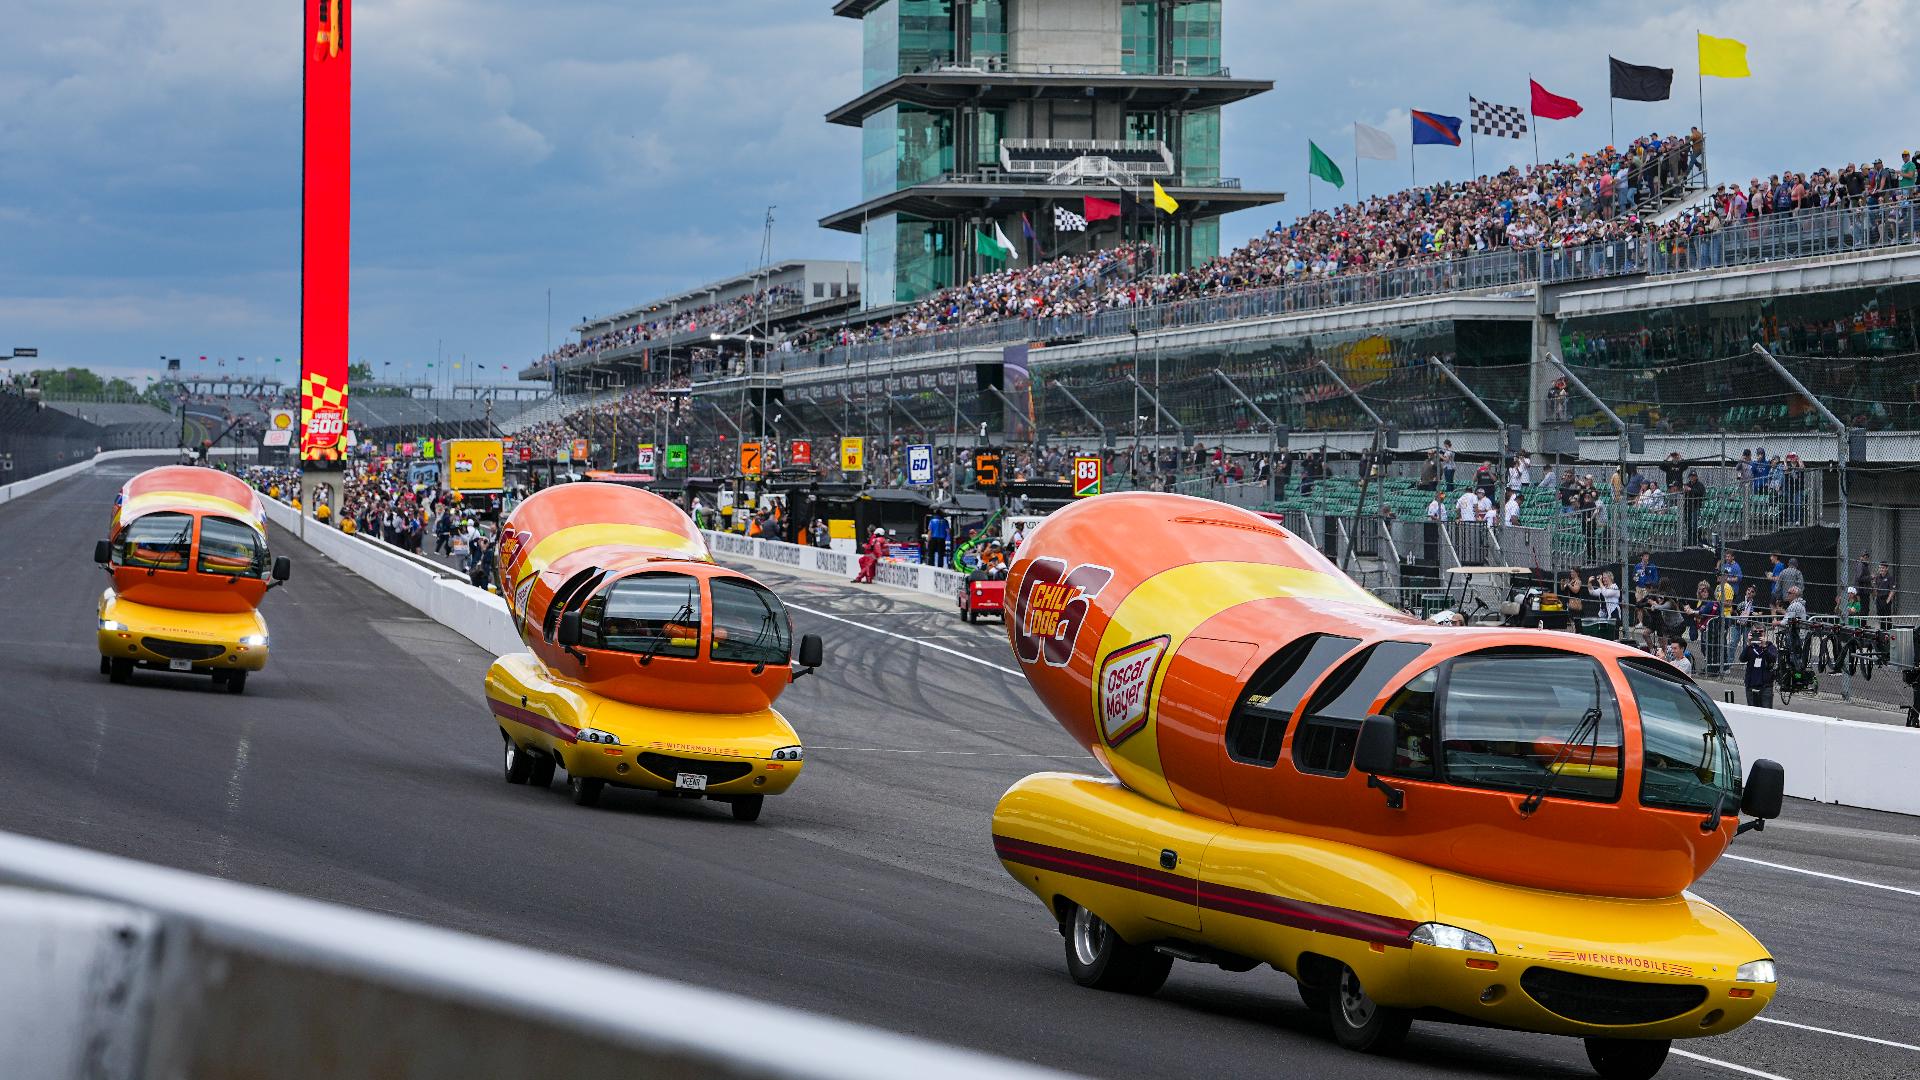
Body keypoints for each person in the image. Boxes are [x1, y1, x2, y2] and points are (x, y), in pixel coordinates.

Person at [1741, 627, 1779, 708]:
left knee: (1766, 711)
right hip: (1751, 685)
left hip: (1765, 686)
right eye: (1755, 631)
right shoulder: (1750, 647)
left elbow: (1772, 659)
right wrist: (1748, 644)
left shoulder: (1770, 646)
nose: (1758, 633)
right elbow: (1742, 659)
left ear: (1765, 633)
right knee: (1752, 711)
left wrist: (1764, 646)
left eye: (1760, 631)